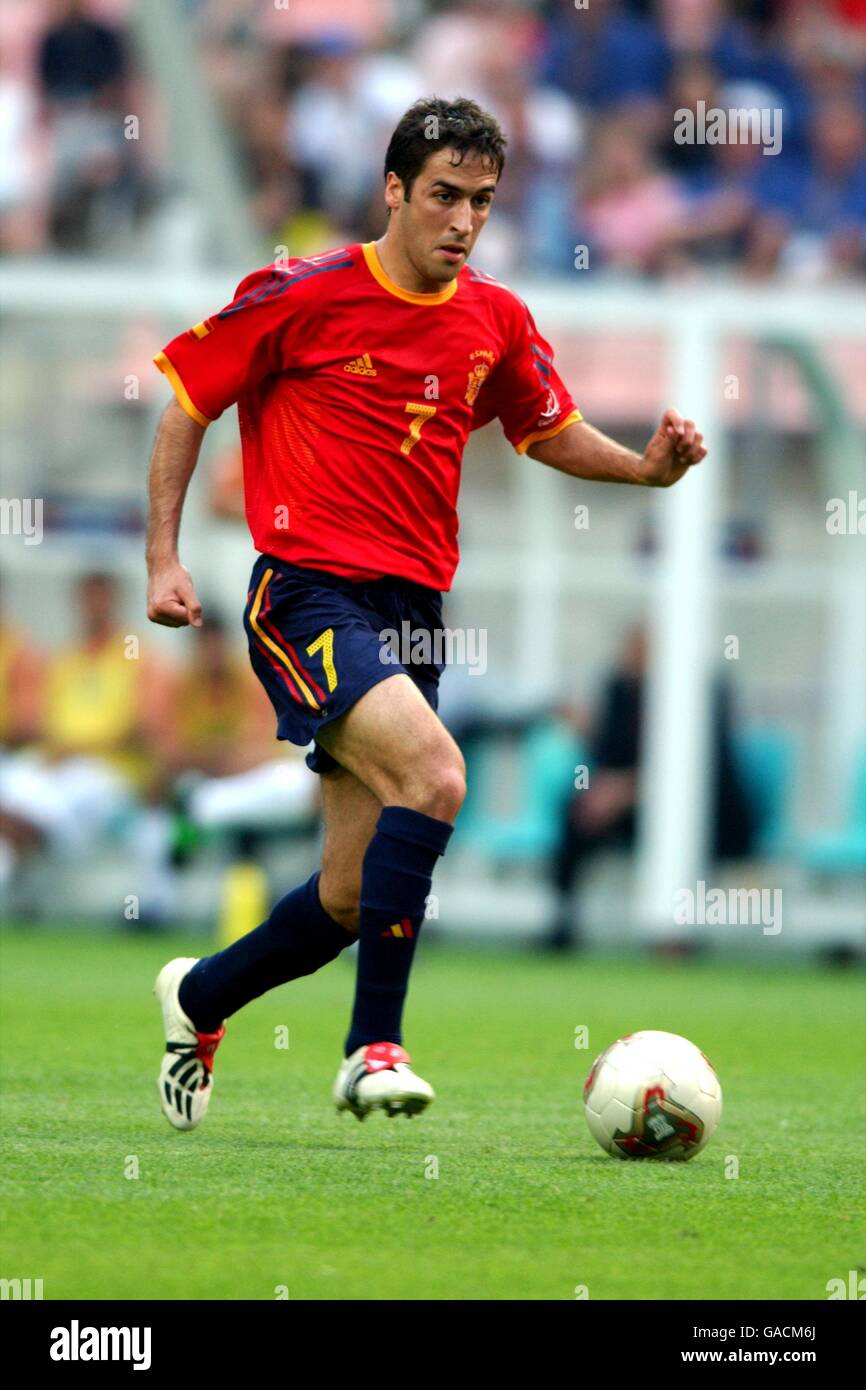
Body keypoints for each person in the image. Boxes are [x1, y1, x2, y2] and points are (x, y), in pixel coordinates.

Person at [146, 96, 707, 1131]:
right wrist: (165, 556)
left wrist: (643, 470)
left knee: (351, 897)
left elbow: (546, 429)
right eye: (442, 195)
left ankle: (199, 996)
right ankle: (373, 1047)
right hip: (304, 589)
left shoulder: (493, 319)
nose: (461, 220)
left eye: (481, 202)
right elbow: (189, 393)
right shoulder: (298, 293)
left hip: (411, 609)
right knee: (437, 772)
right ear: (394, 190)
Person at [545, 627, 756, 951]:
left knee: (686, 823)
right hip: (630, 812)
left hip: (705, 811)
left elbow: (707, 765)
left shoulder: (706, 689)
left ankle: (682, 931)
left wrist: (629, 789)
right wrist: (599, 780)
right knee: (574, 811)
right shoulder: (621, 688)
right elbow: (605, 754)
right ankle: (563, 923)